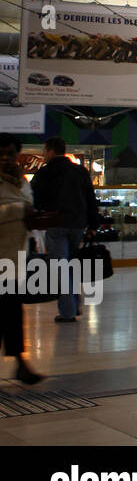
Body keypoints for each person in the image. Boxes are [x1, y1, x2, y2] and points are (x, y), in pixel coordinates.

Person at [30, 137, 96, 323]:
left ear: (50, 151)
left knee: (60, 267)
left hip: (56, 223)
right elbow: (90, 198)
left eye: (44, 151)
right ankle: (75, 303)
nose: (43, 155)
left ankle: (68, 311)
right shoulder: (79, 171)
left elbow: (35, 199)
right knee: (71, 264)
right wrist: (93, 225)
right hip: (78, 224)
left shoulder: (46, 172)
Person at [0, 133, 43, 384]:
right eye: (1, 153)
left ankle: (20, 364)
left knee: (12, 311)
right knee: (9, 310)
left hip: (15, 257)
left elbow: (28, 206)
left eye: (10, 153)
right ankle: (20, 364)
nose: (6, 158)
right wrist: (19, 210)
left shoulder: (21, 181)